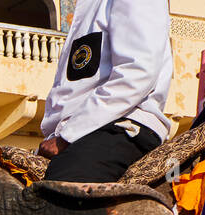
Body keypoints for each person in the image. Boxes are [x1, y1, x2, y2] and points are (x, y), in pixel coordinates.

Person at [38, 0, 171, 183]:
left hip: (122, 125)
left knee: (61, 190)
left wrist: (67, 136)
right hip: (81, 132)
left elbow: (137, 73)